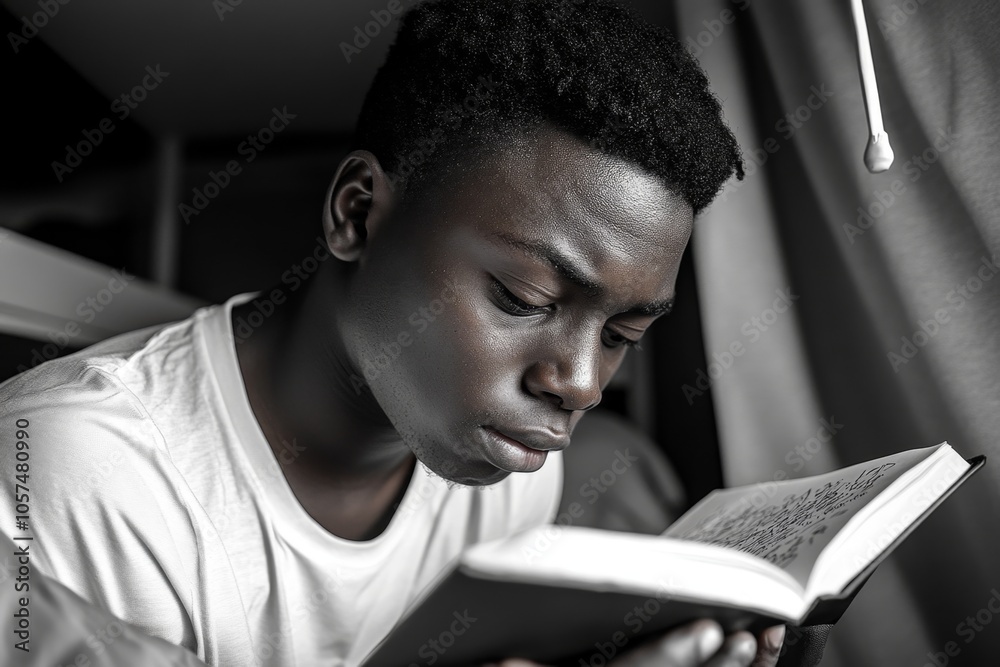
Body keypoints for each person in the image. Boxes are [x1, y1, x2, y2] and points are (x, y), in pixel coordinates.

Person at [0, 0, 792, 664]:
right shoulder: (72, 475)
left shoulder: (514, 484)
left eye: (622, 333)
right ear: (357, 213)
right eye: (524, 296)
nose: (581, 383)